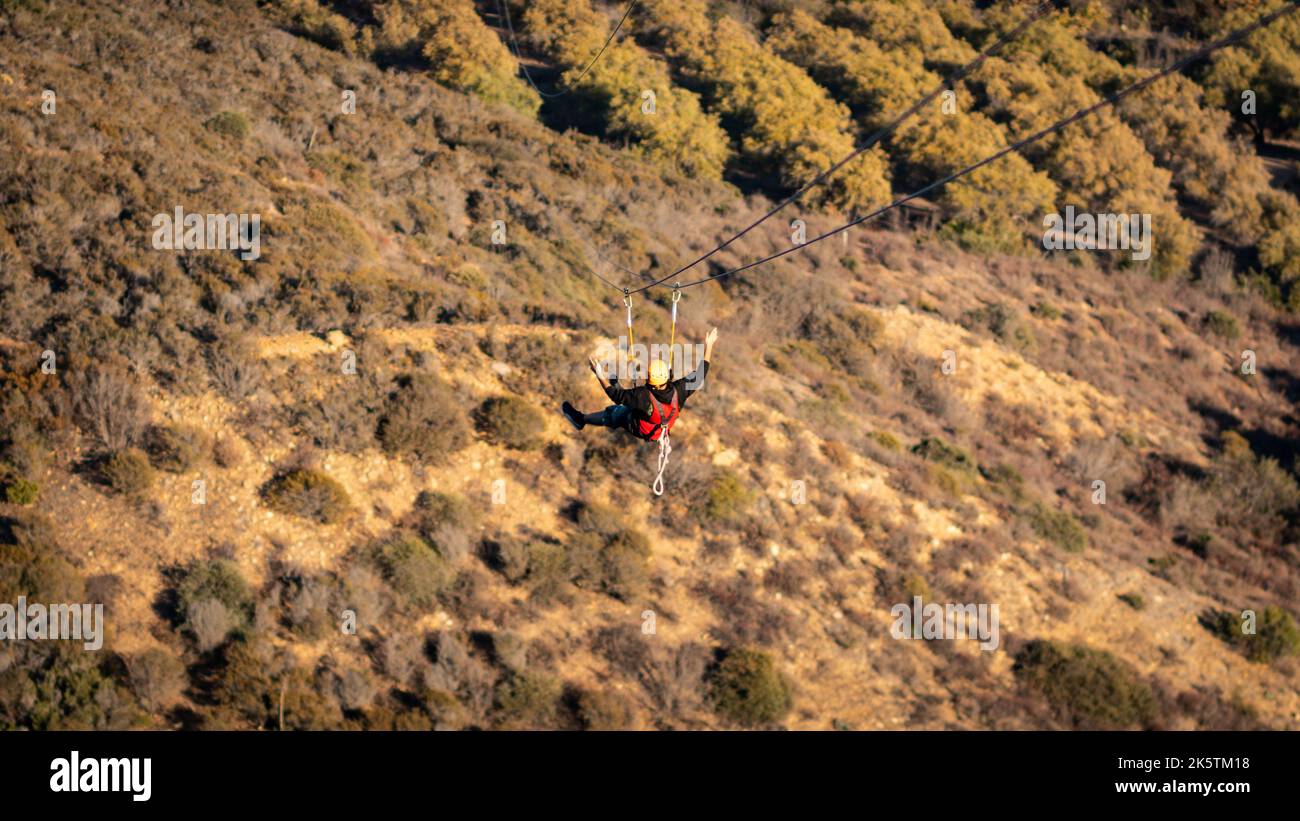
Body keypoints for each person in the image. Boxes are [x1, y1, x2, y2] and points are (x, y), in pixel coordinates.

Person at [562, 327, 717, 440]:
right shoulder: (680, 389)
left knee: (617, 412)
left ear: (650, 380)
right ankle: (615, 381)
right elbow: (700, 374)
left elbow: (615, 395)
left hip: (640, 427)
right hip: (661, 430)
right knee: (626, 399)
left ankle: (580, 419)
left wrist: (599, 376)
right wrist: (709, 345)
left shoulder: (642, 395)